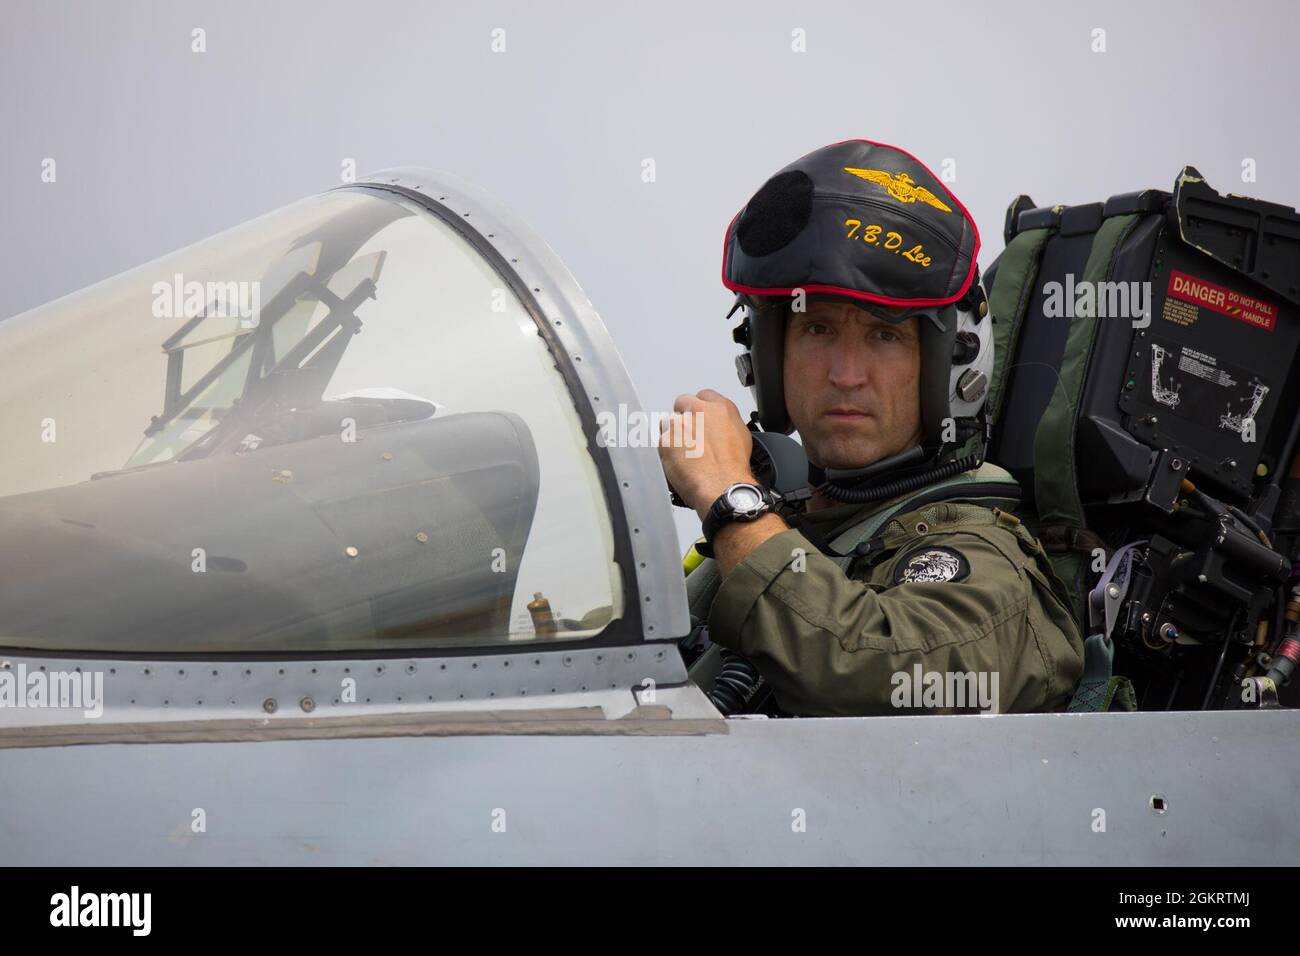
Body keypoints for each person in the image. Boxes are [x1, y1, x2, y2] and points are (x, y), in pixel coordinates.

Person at [657, 139, 1083, 717]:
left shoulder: (986, 562)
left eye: (886, 335)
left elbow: (868, 671)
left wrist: (729, 499)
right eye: (817, 330)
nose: (846, 375)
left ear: (950, 365)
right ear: (767, 354)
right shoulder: (787, 532)